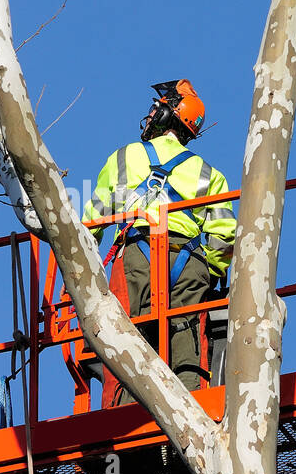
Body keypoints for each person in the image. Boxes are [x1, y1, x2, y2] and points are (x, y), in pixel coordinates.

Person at [83, 79, 236, 396]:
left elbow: (91, 221)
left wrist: (80, 274)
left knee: (128, 347)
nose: (151, 113)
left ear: (172, 114)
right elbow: (224, 235)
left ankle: (126, 419)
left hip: (134, 259)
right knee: (187, 350)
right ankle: (192, 415)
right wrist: (211, 272)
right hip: (189, 262)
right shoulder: (209, 173)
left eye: (158, 108)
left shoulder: (124, 157)